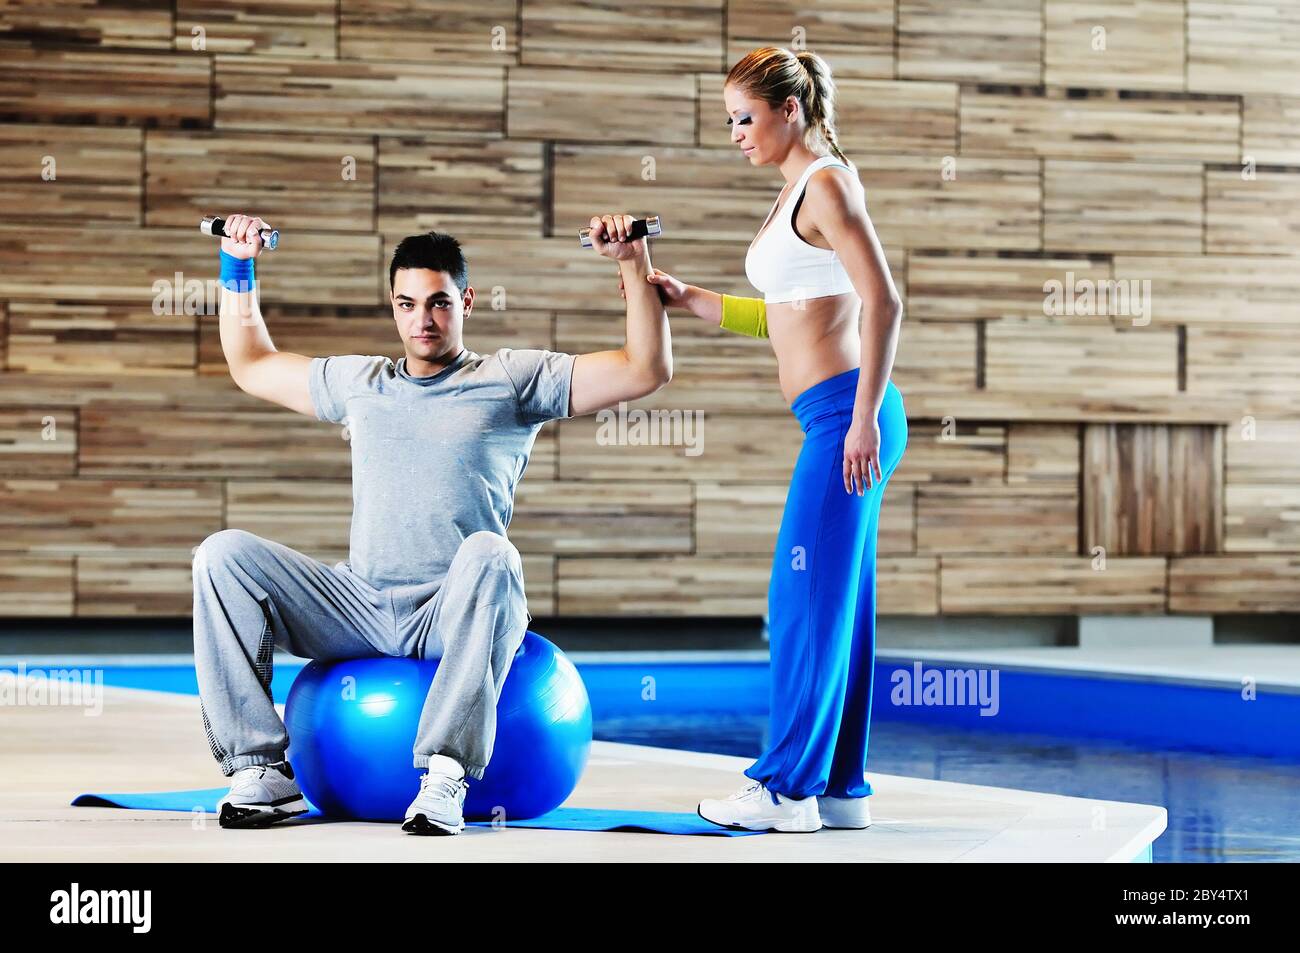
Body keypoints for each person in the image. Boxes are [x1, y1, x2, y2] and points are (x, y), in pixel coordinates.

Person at [194, 211, 669, 834]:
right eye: (408, 304)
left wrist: (634, 265)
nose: (423, 319)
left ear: (465, 301)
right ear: (393, 308)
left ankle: (445, 774)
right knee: (222, 555)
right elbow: (251, 363)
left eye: (440, 303)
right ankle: (261, 769)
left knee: (493, 555)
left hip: (455, 605)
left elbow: (645, 368)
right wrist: (238, 264)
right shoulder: (360, 382)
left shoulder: (511, 380)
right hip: (359, 602)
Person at [624, 47, 908, 832]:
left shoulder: (827, 185)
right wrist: (689, 297)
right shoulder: (796, 193)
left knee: (802, 600)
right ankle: (841, 786)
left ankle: (785, 790)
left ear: (790, 111)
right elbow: (780, 314)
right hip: (839, 413)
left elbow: (885, 302)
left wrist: (860, 419)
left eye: (745, 119)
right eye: (729, 122)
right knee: (839, 608)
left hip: (849, 415)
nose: (736, 135)